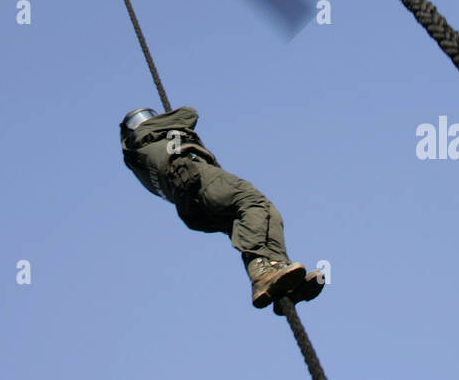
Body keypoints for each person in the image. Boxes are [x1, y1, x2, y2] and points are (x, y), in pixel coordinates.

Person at [120, 104, 324, 311]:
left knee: (259, 217)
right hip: (198, 177)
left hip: (192, 205)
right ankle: (261, 270)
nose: (148, 120)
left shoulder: (144, 158)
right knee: (253, 203)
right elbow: (189, 114)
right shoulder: (140, 138)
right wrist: (170, 125)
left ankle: (280, 279)